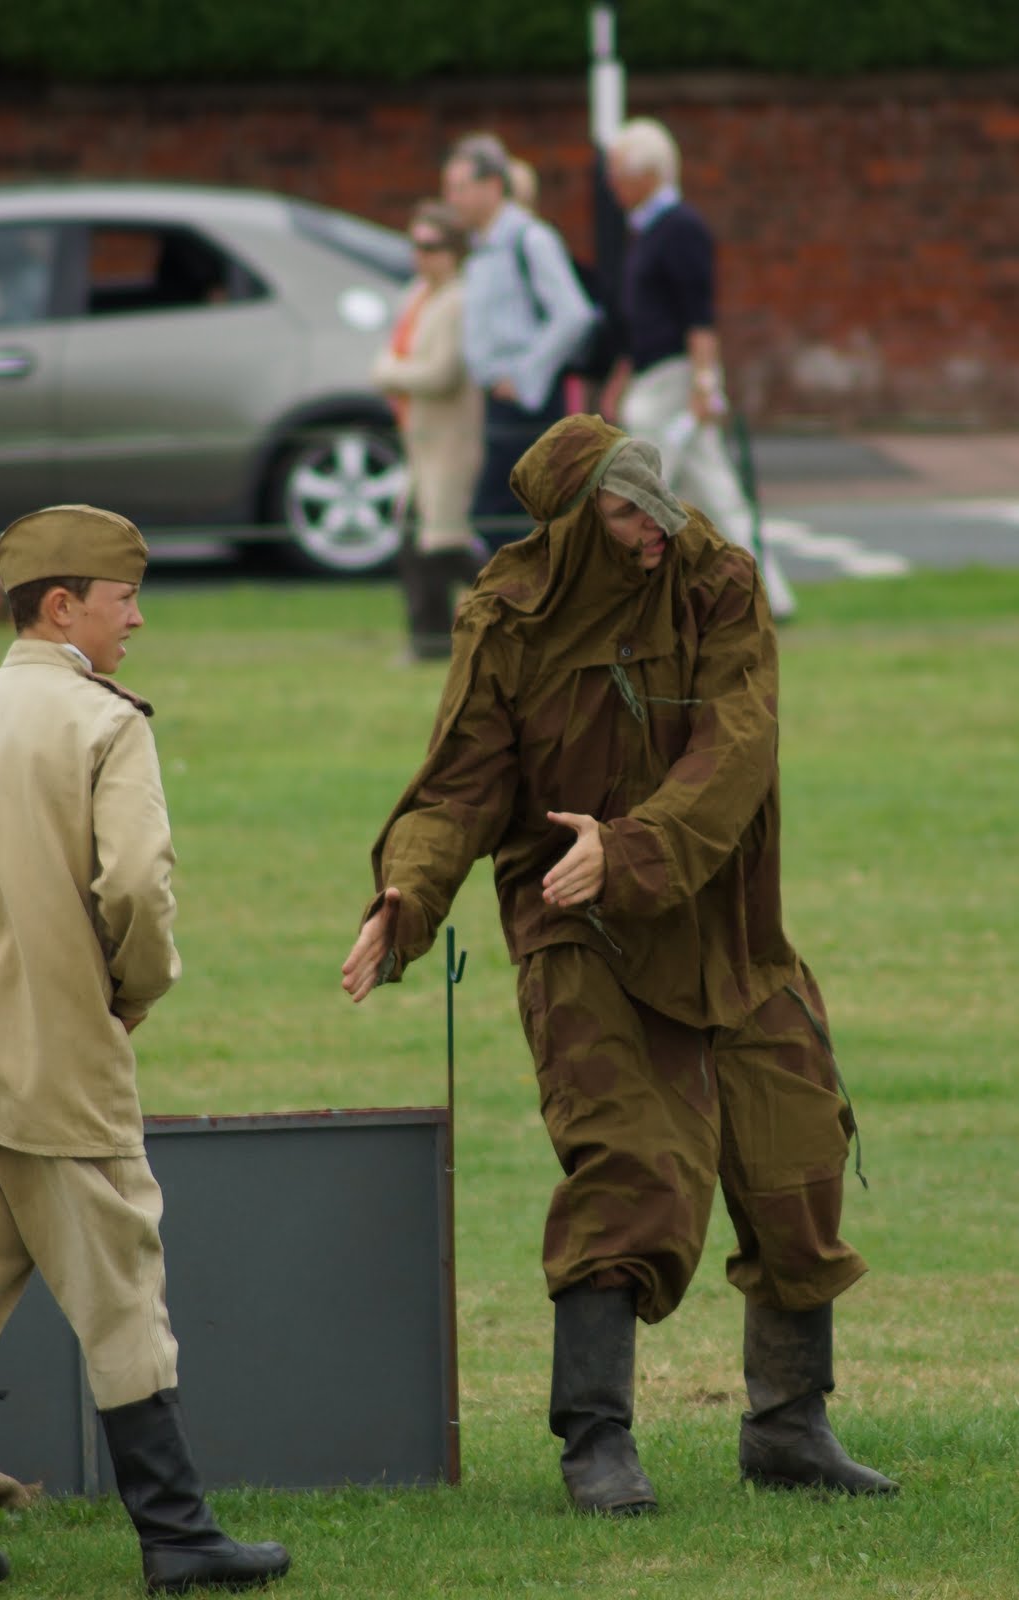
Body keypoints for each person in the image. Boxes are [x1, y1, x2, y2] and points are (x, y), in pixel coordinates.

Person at [342, 414, 897, 1516]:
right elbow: (460, 784)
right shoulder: (506, 617)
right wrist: (406, 897)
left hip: (726, 922)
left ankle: (789, 1428)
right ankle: (596, 1440)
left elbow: (735, 745)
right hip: (574, 924)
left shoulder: (715, 581)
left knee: (797, 1157)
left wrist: (632, 845)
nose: (651, 526)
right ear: (569, 525)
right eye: (621, 511)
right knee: (628, 1166)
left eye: (655, 500)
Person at [0, 506, 290, 1594]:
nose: (135, 617)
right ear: (63, 604)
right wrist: (133, 991)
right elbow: (137, 884)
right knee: (123, 1294)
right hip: (63, 1059)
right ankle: (179, 1536)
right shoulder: (106, 723)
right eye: (121, 596)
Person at [603, 118, 797, 622]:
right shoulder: (645, 231)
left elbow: (697, 314)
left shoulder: (680, 228)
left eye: (620, 171)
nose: (612, 183)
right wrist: (622, 375)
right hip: (652, 375)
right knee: (709, 486)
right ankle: (758, 591)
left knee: (646, 486)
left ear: (649, 173)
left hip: (673, 378)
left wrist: (705, 384)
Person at [442, 132, 595, 553]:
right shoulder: (482, 247)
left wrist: (525, 374)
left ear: (492, 187)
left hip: (529, 405)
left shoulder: (531, 239)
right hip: (499, 402)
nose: (452, 199)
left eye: (460, 188)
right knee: (506, 522)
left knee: (502, 517)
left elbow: (574, 314)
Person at [373, 200, 484, 660]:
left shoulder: (458, 300)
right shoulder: (416, 296)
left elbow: (441, 373)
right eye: (415, 245)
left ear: (454, 251)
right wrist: (395, 367)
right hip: (418, 439)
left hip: (451, 440)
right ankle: (430, 639)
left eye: (432, 246)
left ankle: (516, 609)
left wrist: (390, 372)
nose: (421, 255)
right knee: (417, 534)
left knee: (444, 541)